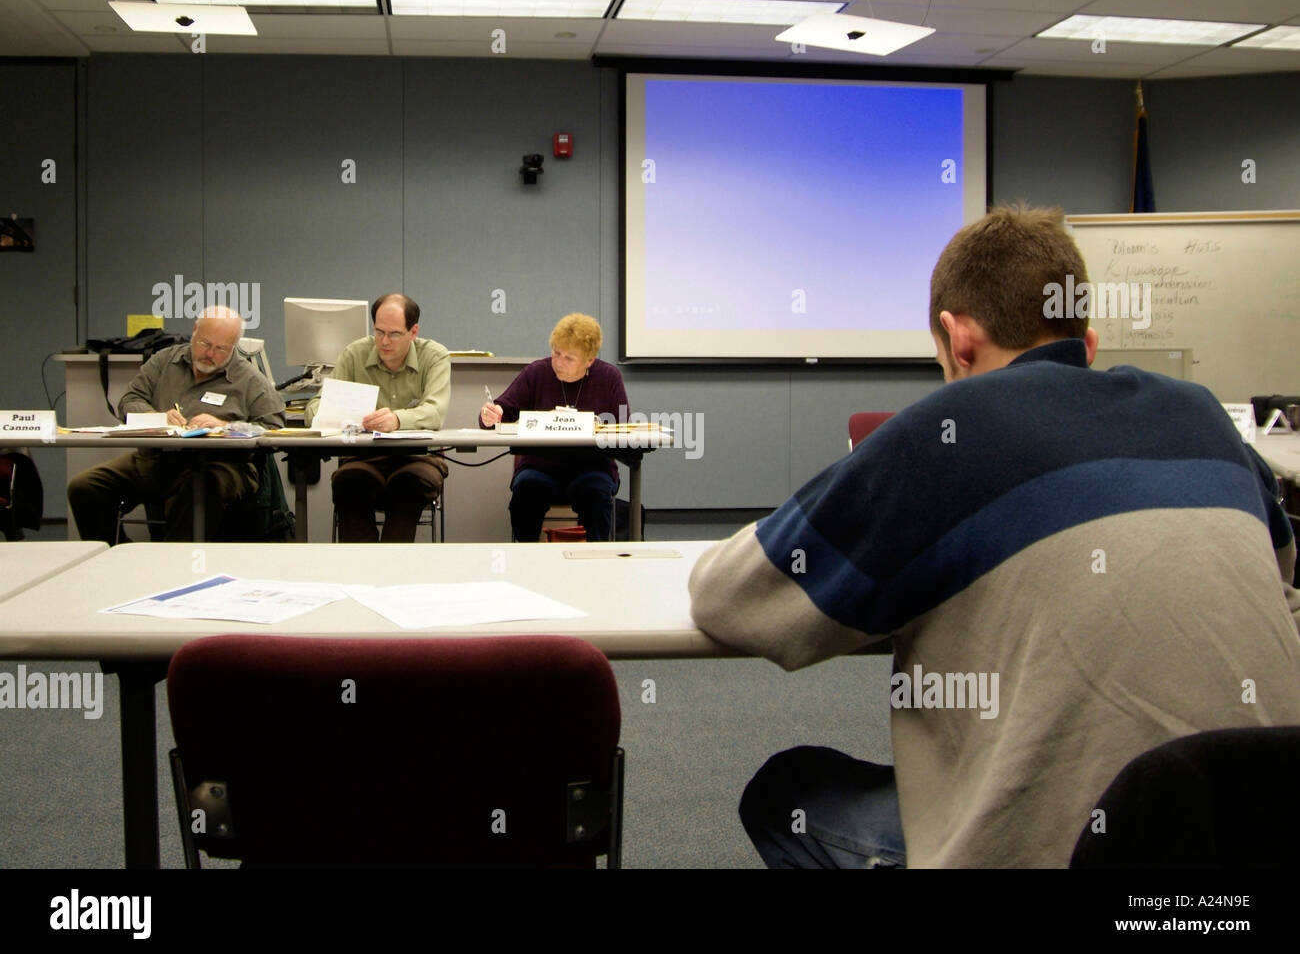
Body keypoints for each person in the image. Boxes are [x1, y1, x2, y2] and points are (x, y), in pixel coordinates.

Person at [687, 205, 1300, 868]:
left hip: (1061, 854)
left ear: (958, 338)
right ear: (1085, 345)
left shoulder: (946, 432)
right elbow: (1281, 581)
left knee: (787, 792)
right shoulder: (1202, 415)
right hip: (1253, 841)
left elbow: (731, 598)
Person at [68, 305, 286, 543]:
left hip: (222, 464)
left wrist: (225, 426)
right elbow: (129, 401)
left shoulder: (249, 379)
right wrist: (157, 417)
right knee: (85, 487)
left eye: (221, 349)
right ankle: (116, 553)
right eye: (205, 343)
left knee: (199, 489)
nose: (210, 354)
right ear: (194, 331)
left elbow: (273, 426)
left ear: (234, 346)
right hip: (155, 459)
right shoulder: (164, 361)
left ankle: (176, 564)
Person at [305, 293, 450, 542]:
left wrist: (397, 419)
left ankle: (391, 569)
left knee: (408, 485)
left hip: (418, 457)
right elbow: (314, 408)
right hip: (363, 456)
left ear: (413, 331)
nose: (384, 341)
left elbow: (435, 412)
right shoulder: (354, 354)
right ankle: (363, 570)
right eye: (378, 332)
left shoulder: (434, 356)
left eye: (394, 334)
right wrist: (336, 414)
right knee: (349, 483)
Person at [479, 314, 628, 542]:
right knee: (526, 491)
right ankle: (526, 558)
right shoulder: (536, 373)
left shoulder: (608, 377)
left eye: (569, 358)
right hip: (541, 467)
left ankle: (598, 560)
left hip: (592, 466)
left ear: (589, 360)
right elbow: (502, 410)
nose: (558, 362)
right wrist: (491, 415)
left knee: (596, 494)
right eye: (556, 353)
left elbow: (622, 427)